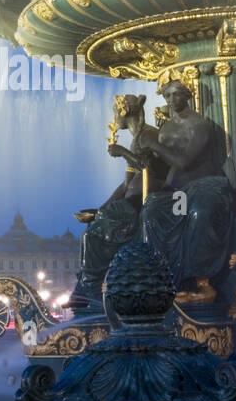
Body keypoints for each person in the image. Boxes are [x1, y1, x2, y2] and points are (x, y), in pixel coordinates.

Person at [67, 94, 169, 310]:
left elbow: (150, 168)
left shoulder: (148, 135)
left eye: (115, 113)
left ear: (124, 112)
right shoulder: (137, 137)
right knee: (91, 230)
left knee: (92, 237)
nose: (113, 119)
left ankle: (90, 288)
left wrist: (122, 152)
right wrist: (99, 210)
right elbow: (125, 185)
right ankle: (86, 286)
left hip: (142, 204)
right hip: (130, 203)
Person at [140, 78, 236, 302]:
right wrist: (144, 157)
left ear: (188, 96)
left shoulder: (200, 125)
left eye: (176, 95)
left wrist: (154, 145)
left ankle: (201, 282)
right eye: (168, 96)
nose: (172, 100)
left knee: (198, 212)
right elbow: (164, 163)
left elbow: (184, 162)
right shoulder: (167, 128)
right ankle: (161, 278)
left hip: (206, 186)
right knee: (151, 211)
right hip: (178, 190)